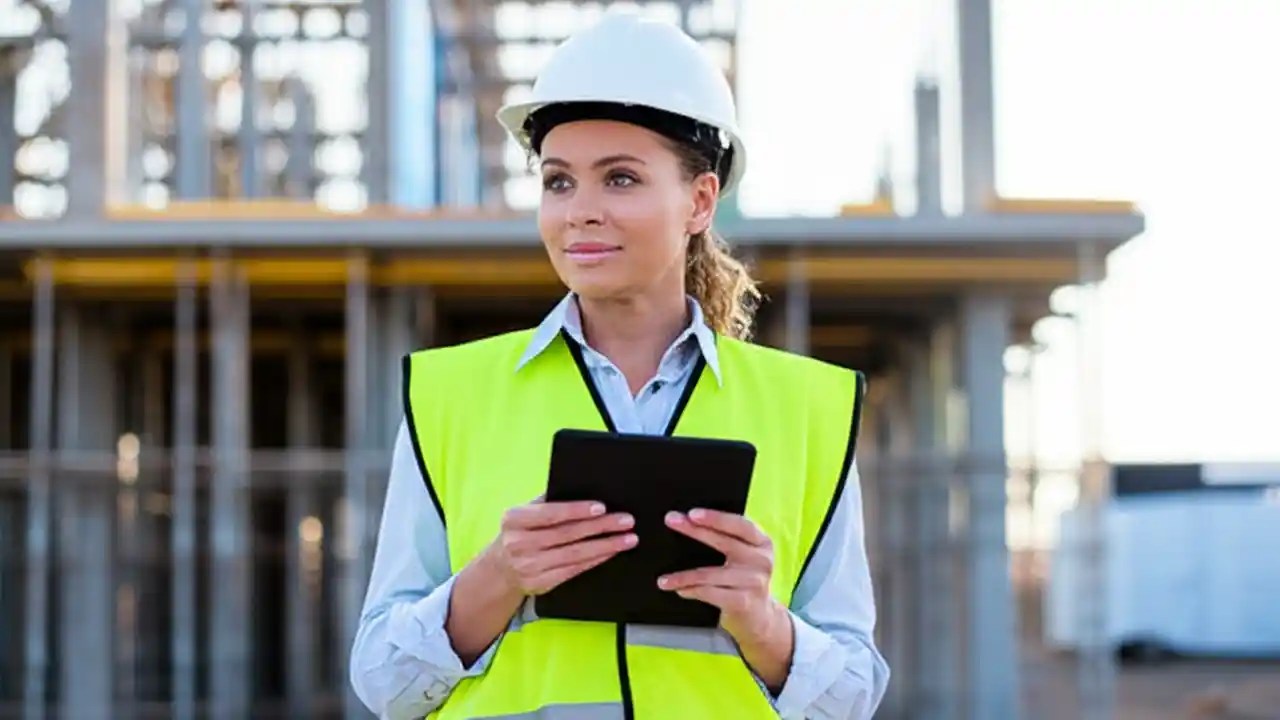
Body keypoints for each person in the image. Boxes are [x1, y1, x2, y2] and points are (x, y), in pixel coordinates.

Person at [350, 10, 889, 719]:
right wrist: (498, 576)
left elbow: (851, 699)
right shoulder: (450, 397)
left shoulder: (808, 410)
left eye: (621, 179)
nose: (580, 211)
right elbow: (384, 685)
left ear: (700, 201)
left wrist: (760, 621)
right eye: (559, 182)